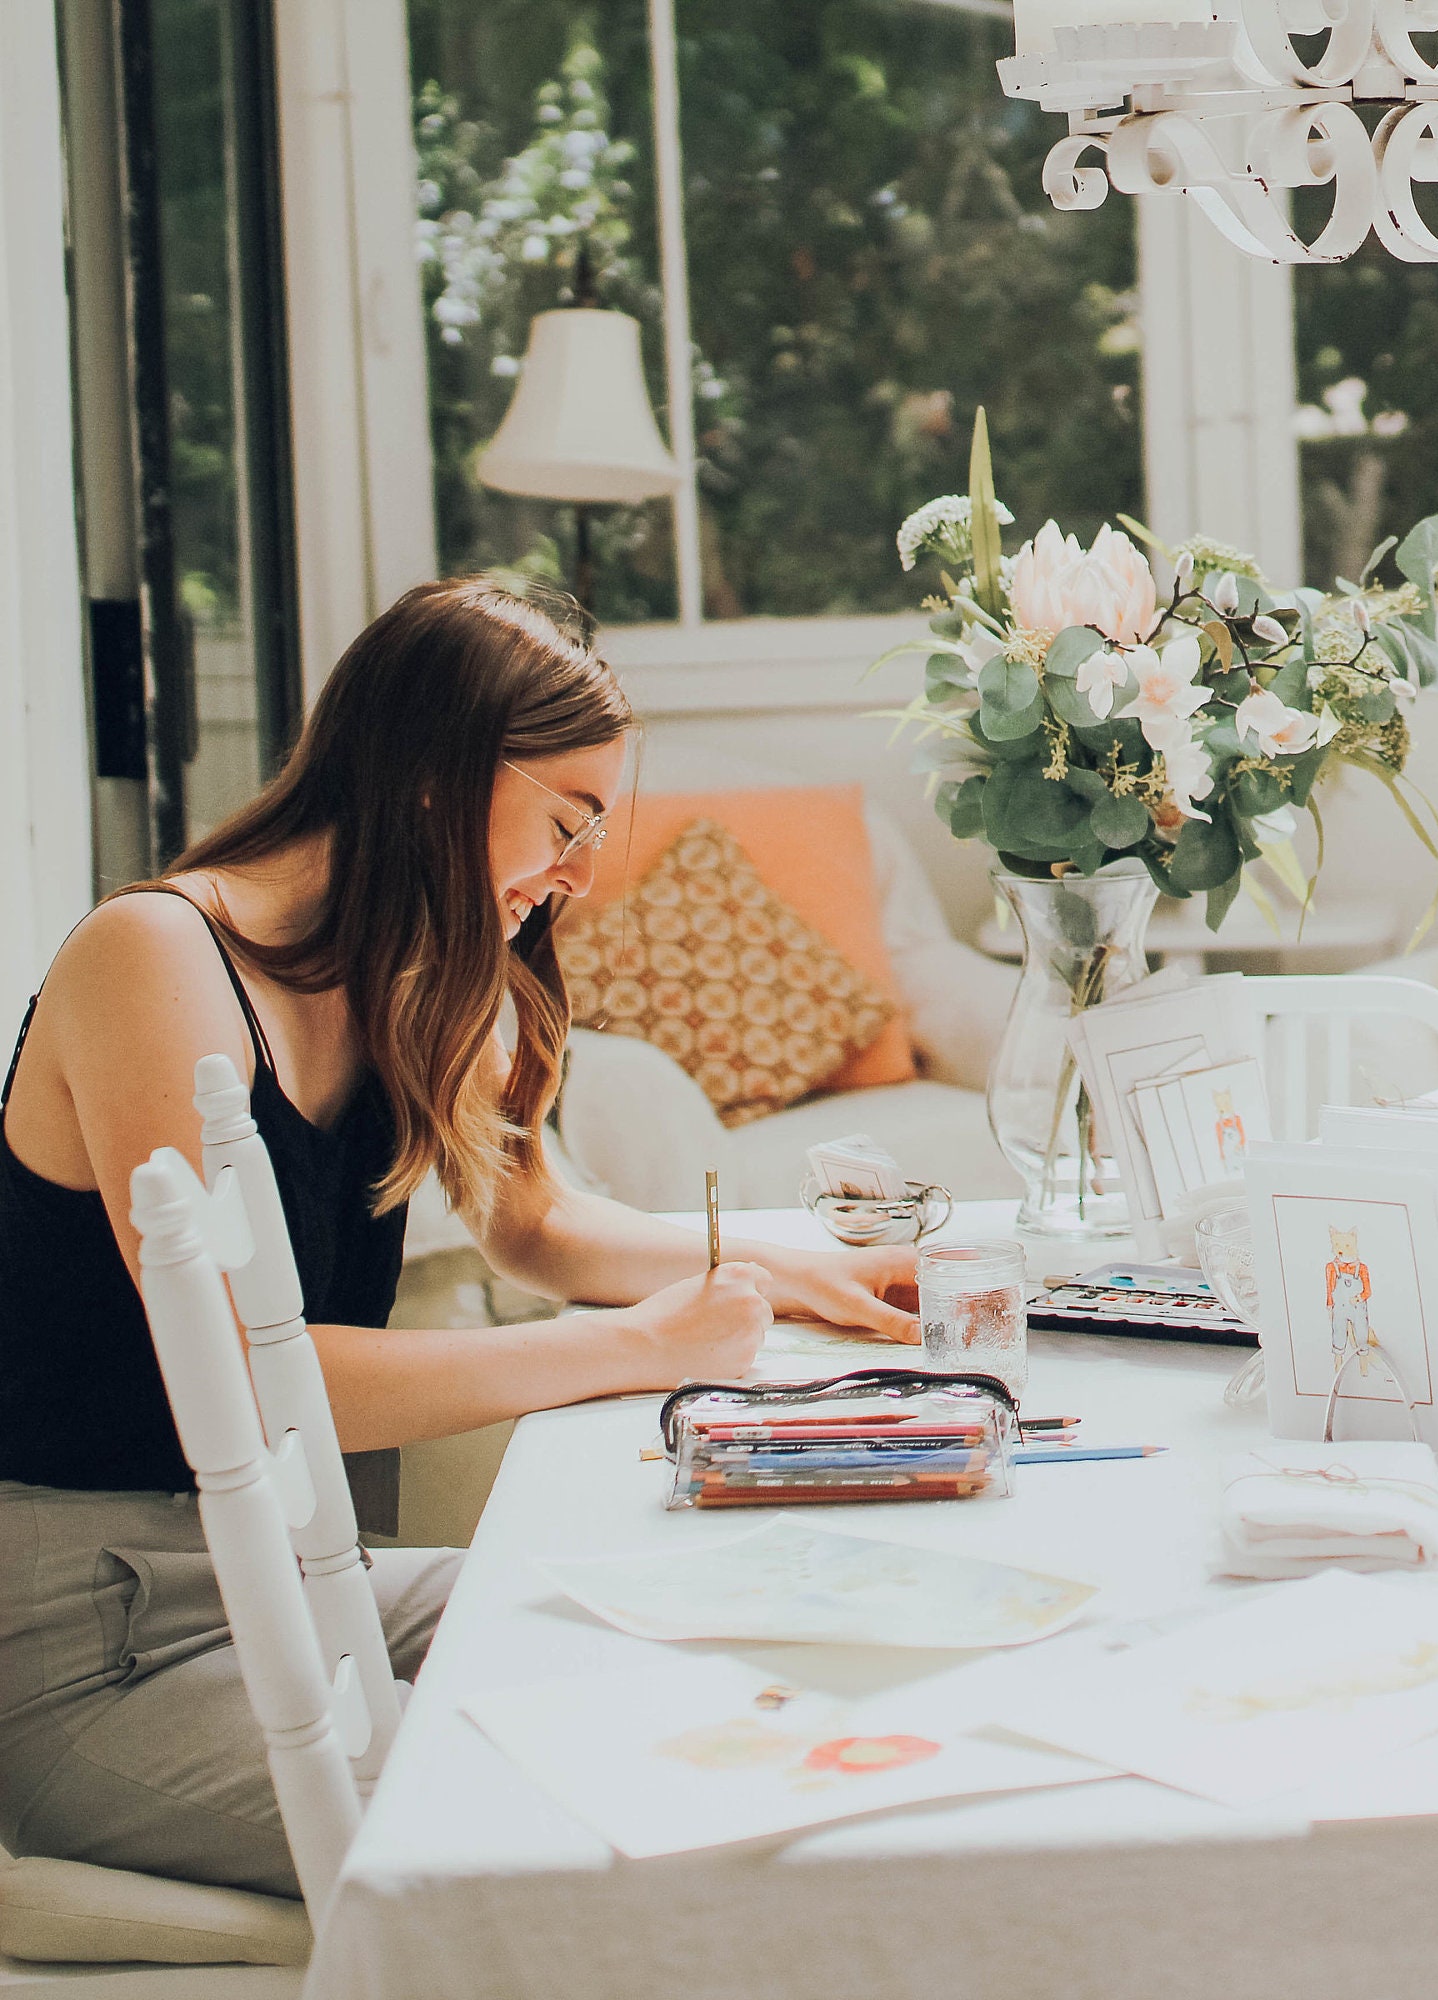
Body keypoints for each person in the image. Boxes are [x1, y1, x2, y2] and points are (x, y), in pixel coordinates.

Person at [0, 577, 920, 1899]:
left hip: (304, 1583)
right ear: (437, 776)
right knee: (590, 1829)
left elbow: (536, 1225)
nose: (583, 874)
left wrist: (782, 1271)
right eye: (566, 821)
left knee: (731, 1659)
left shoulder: (392, 975)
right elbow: (253, 1386)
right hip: (104, 1643)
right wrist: (626, 1352)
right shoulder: (153, 958)